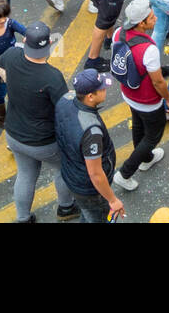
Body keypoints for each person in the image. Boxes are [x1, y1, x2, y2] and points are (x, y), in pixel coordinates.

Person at [0, 21, 79, 222]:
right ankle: (66, 208)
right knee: (63, 168)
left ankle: (23, 218)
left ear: (24, 41)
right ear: (49, 43)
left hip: (14, 135)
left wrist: (10, 80)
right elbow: (64, 108)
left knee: (25, 174)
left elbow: (0, 68)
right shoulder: (51, 77)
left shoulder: (12, 56)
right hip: (44, 142)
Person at [107, 0, 169, 188]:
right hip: (148, 100)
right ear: (141, 23)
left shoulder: (118, 34)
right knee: (153, 135)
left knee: (138, 124)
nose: (155, 18)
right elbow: (158, 81)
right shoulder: (149, 49)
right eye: (151, 17)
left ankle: (147, 158)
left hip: (128, 93)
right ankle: (125, 173)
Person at [54, 68, 124, 222]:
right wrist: (112, 200)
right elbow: (95, 174)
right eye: (102, 89)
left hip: (71, 173)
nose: (105, 89)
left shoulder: (65, 99)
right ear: (90, 96)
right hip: (88, 188)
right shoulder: (91, 131)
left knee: (88, 214)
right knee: (97, 217)